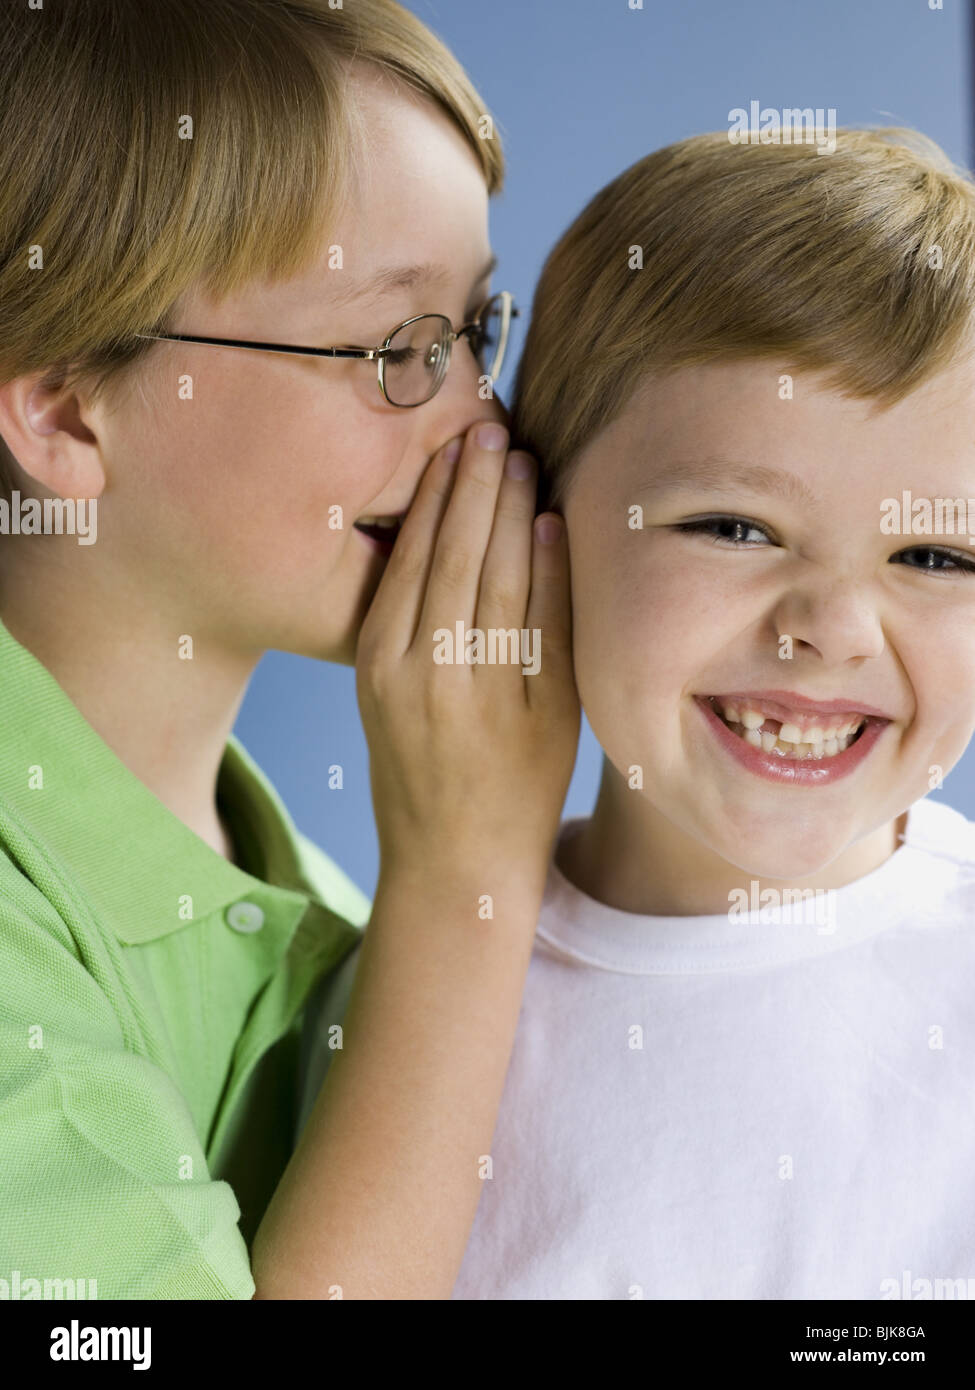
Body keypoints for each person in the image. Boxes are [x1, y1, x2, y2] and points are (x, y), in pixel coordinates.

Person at [318, 124, 975, 1298]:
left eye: (935, 553)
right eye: (732, 527)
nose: (832, 626)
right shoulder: (400, 1004)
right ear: (533, 527)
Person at [0, 0, 579, 1299]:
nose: (480, 431)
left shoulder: (308, 892)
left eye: (474, 335)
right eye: (393, 351)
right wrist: (465, 869)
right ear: (66, 408)